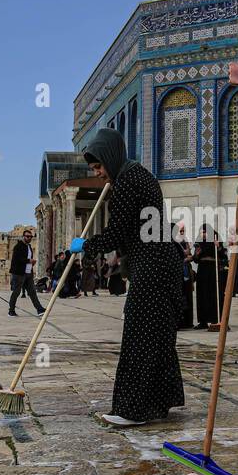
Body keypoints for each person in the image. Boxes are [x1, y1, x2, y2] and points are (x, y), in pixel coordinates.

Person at [74, 127, 184, 426]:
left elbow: (117, 232)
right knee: (157, 336)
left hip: (153, 268)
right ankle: (160, 402)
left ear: (110, 157)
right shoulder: (138, 175)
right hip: (161, 266)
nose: (97, 173)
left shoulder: (127, 182)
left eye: (98, 166)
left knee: (141, 337)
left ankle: (133, 410)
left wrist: (87, 245)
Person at [193, 225, 226, 328]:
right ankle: (203, 321)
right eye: (201, 232)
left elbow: (223, 256)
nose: (202, 234)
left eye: (204, 232)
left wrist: (218, 247)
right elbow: (196, 260)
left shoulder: (216, 241)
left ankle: (215, 319)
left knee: (213, 295)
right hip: (202, 271)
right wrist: (197, 254)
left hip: (213, 271)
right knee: (202, 295)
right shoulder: (199, 244)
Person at [8, 228, 45, 316]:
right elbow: (17, 259)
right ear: (23, 237)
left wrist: (31, 264)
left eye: (30, 236)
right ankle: (11, 310)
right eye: (27, 236)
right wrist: (29, 261)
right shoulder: (18, 247)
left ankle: (39, 309)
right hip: (19, 274)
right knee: (16, 292)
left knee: (32, 292)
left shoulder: (29, 247)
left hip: (28, 273)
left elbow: (28, 259)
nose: (29, 238)